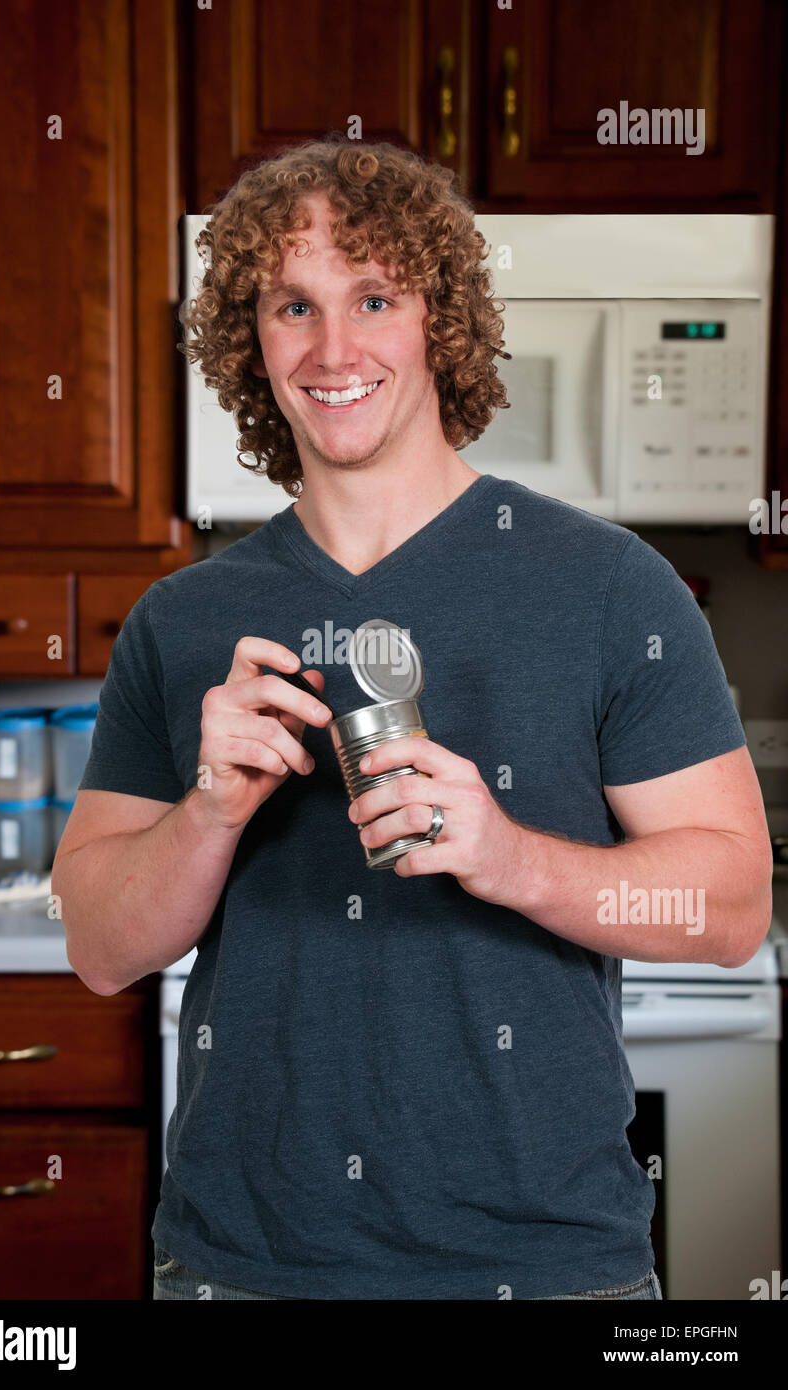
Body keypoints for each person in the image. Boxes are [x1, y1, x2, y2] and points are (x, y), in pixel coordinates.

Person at [53, 138, 772, 1302]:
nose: (334, 350)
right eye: (294, 306)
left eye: (374, 298)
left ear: (438, 322)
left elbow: (731, 905)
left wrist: (511, 857)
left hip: (543, 1264)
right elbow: (97, 947)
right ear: (252, 341)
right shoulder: (184, 622)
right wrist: (209, 808)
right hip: (244, 1264)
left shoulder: (608, 589)